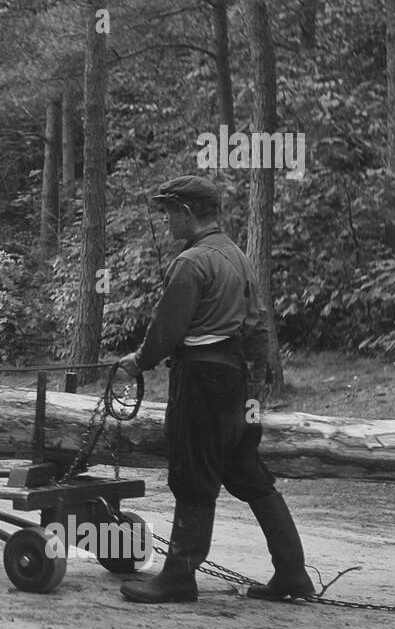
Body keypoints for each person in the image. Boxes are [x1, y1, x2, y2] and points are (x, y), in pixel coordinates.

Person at [115, 175, 315, 604]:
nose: (166, 221)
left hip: (200, 381)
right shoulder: (238, 257)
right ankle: (292, 573)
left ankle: (178, 578)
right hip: (237, 381)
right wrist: (254, 387)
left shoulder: (192, 262)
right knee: (249, 473)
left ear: (187, 212)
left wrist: (140, 361)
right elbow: (258, 325)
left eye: (169, 212)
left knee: (192, 473)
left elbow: (167, 329)